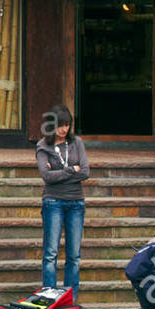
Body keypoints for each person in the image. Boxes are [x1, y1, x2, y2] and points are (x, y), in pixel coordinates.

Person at [35, 104, 89, 291]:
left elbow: (85, 172)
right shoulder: (43, 146)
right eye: (60, 125)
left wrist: (58, 172)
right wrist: (69, 170)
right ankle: (49, 296)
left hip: (76, 202)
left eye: (67, 125)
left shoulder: (77, 143)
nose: (64, 129)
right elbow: (46, 176)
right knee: (51, 253)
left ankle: (69, 299)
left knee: (74, 255)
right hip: (53, 202)